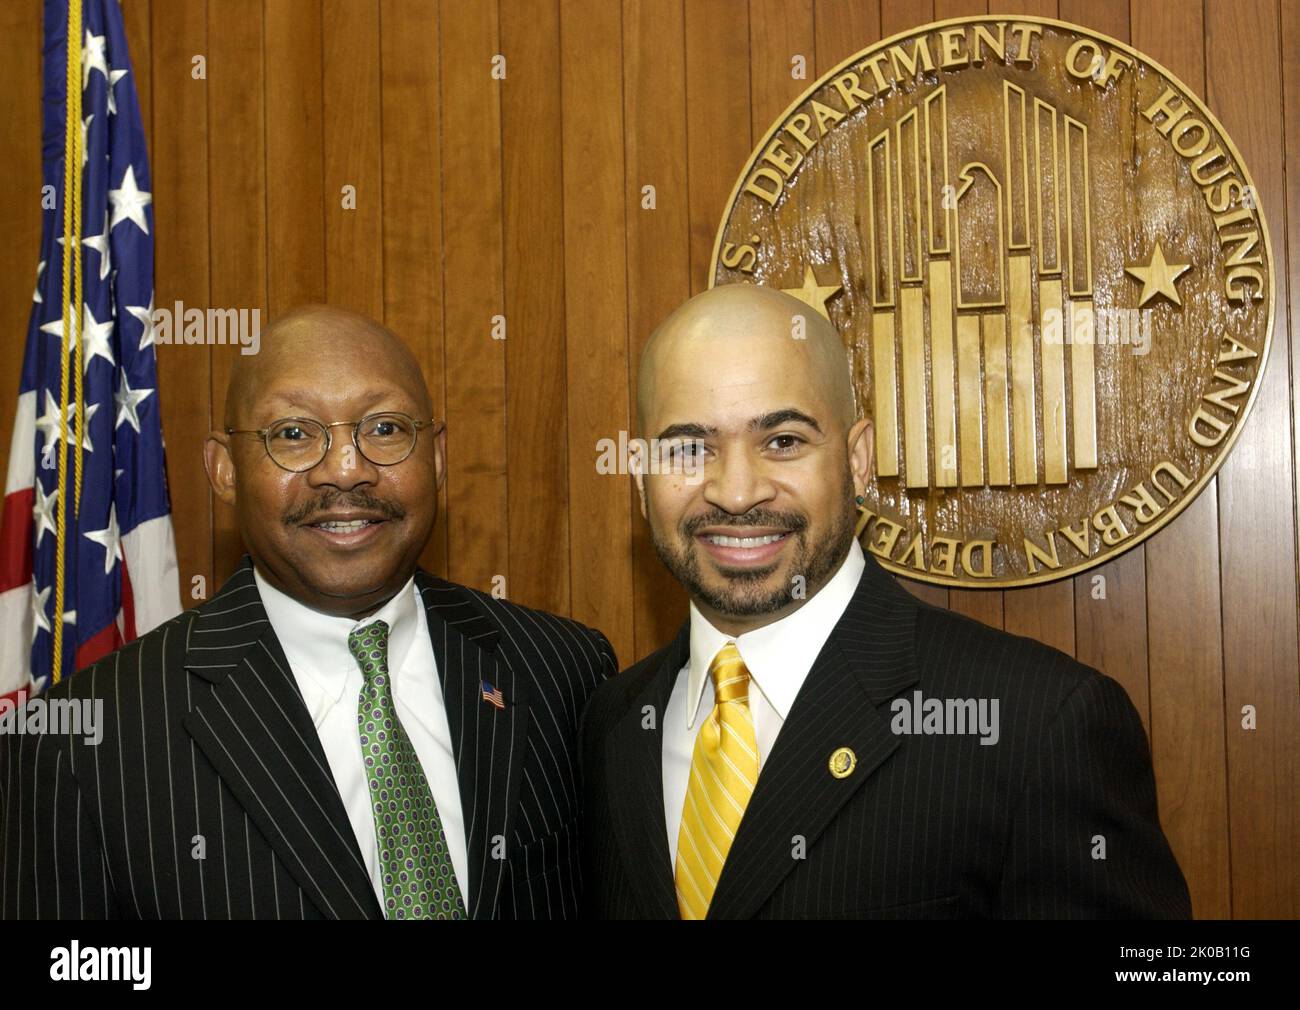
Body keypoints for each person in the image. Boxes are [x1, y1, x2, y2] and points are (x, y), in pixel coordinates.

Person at [580, 284, 1191, 919]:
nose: (736, 492)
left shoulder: (1038, 725)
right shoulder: (611, 728)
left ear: (858, 458)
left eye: (783, 440)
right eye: (687, 448)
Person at [2, 305, 615, 919]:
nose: (345, 471)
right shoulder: (81, 744)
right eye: (293, 433)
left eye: (384, 429)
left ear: (436, 457)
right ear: (224, 470)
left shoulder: (564, 673)